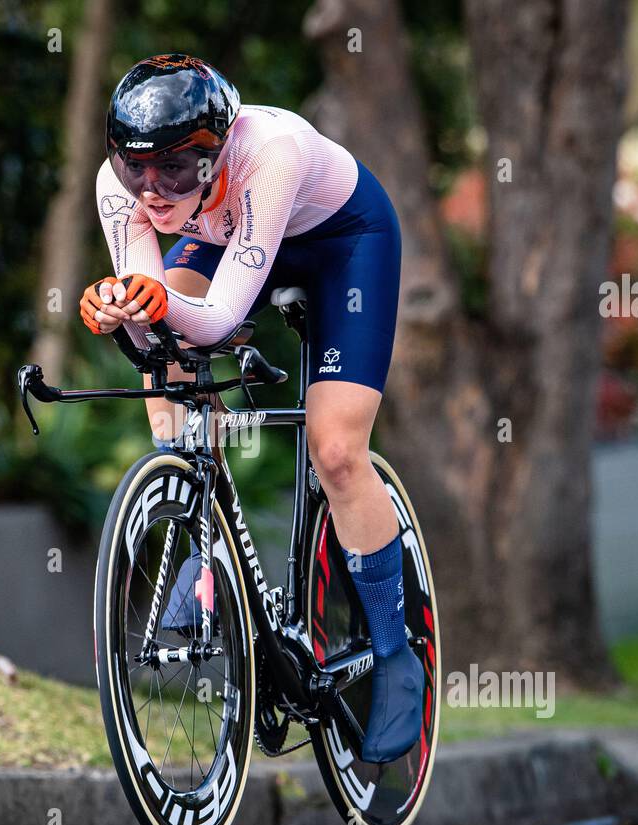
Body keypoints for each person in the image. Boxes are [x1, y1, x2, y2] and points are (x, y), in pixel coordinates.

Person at [78, 53, 422, 764]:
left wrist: (148, 306)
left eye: (175, 170)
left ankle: (396, 652)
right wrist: (119, 310)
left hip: (342, 248)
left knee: (335, 450)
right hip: (226, 243)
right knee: (165, 350)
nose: (151, 191)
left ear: (217, 149)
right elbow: (159, 324)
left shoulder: (270, 149)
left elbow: (222, 312)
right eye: (135, 168)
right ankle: (195, 532)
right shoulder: (122, 187)